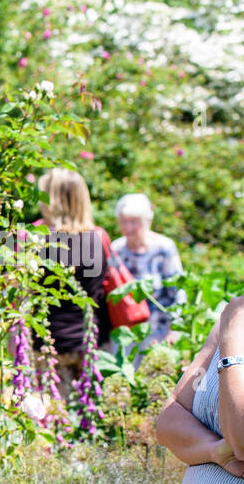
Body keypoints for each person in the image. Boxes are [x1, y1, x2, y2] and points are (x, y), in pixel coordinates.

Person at [156, 230, 244, 484]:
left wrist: (232, 337)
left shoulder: (234, 324)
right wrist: (215, 451)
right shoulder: (236, 316)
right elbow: (169, 420)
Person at [32, 169, 114, 402]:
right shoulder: (97, 238)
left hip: (47, 347)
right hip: (91, 343)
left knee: (52, 422)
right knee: (88, 417)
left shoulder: (35, 240)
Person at [112, 192, 185, 352]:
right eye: (124, 222)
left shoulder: (164, 248)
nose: (128, 227)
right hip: (127, 333)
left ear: (147, 221)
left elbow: (178, 292)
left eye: (134, 222)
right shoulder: (116, 249)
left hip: (160, 334)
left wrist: (174, 332)